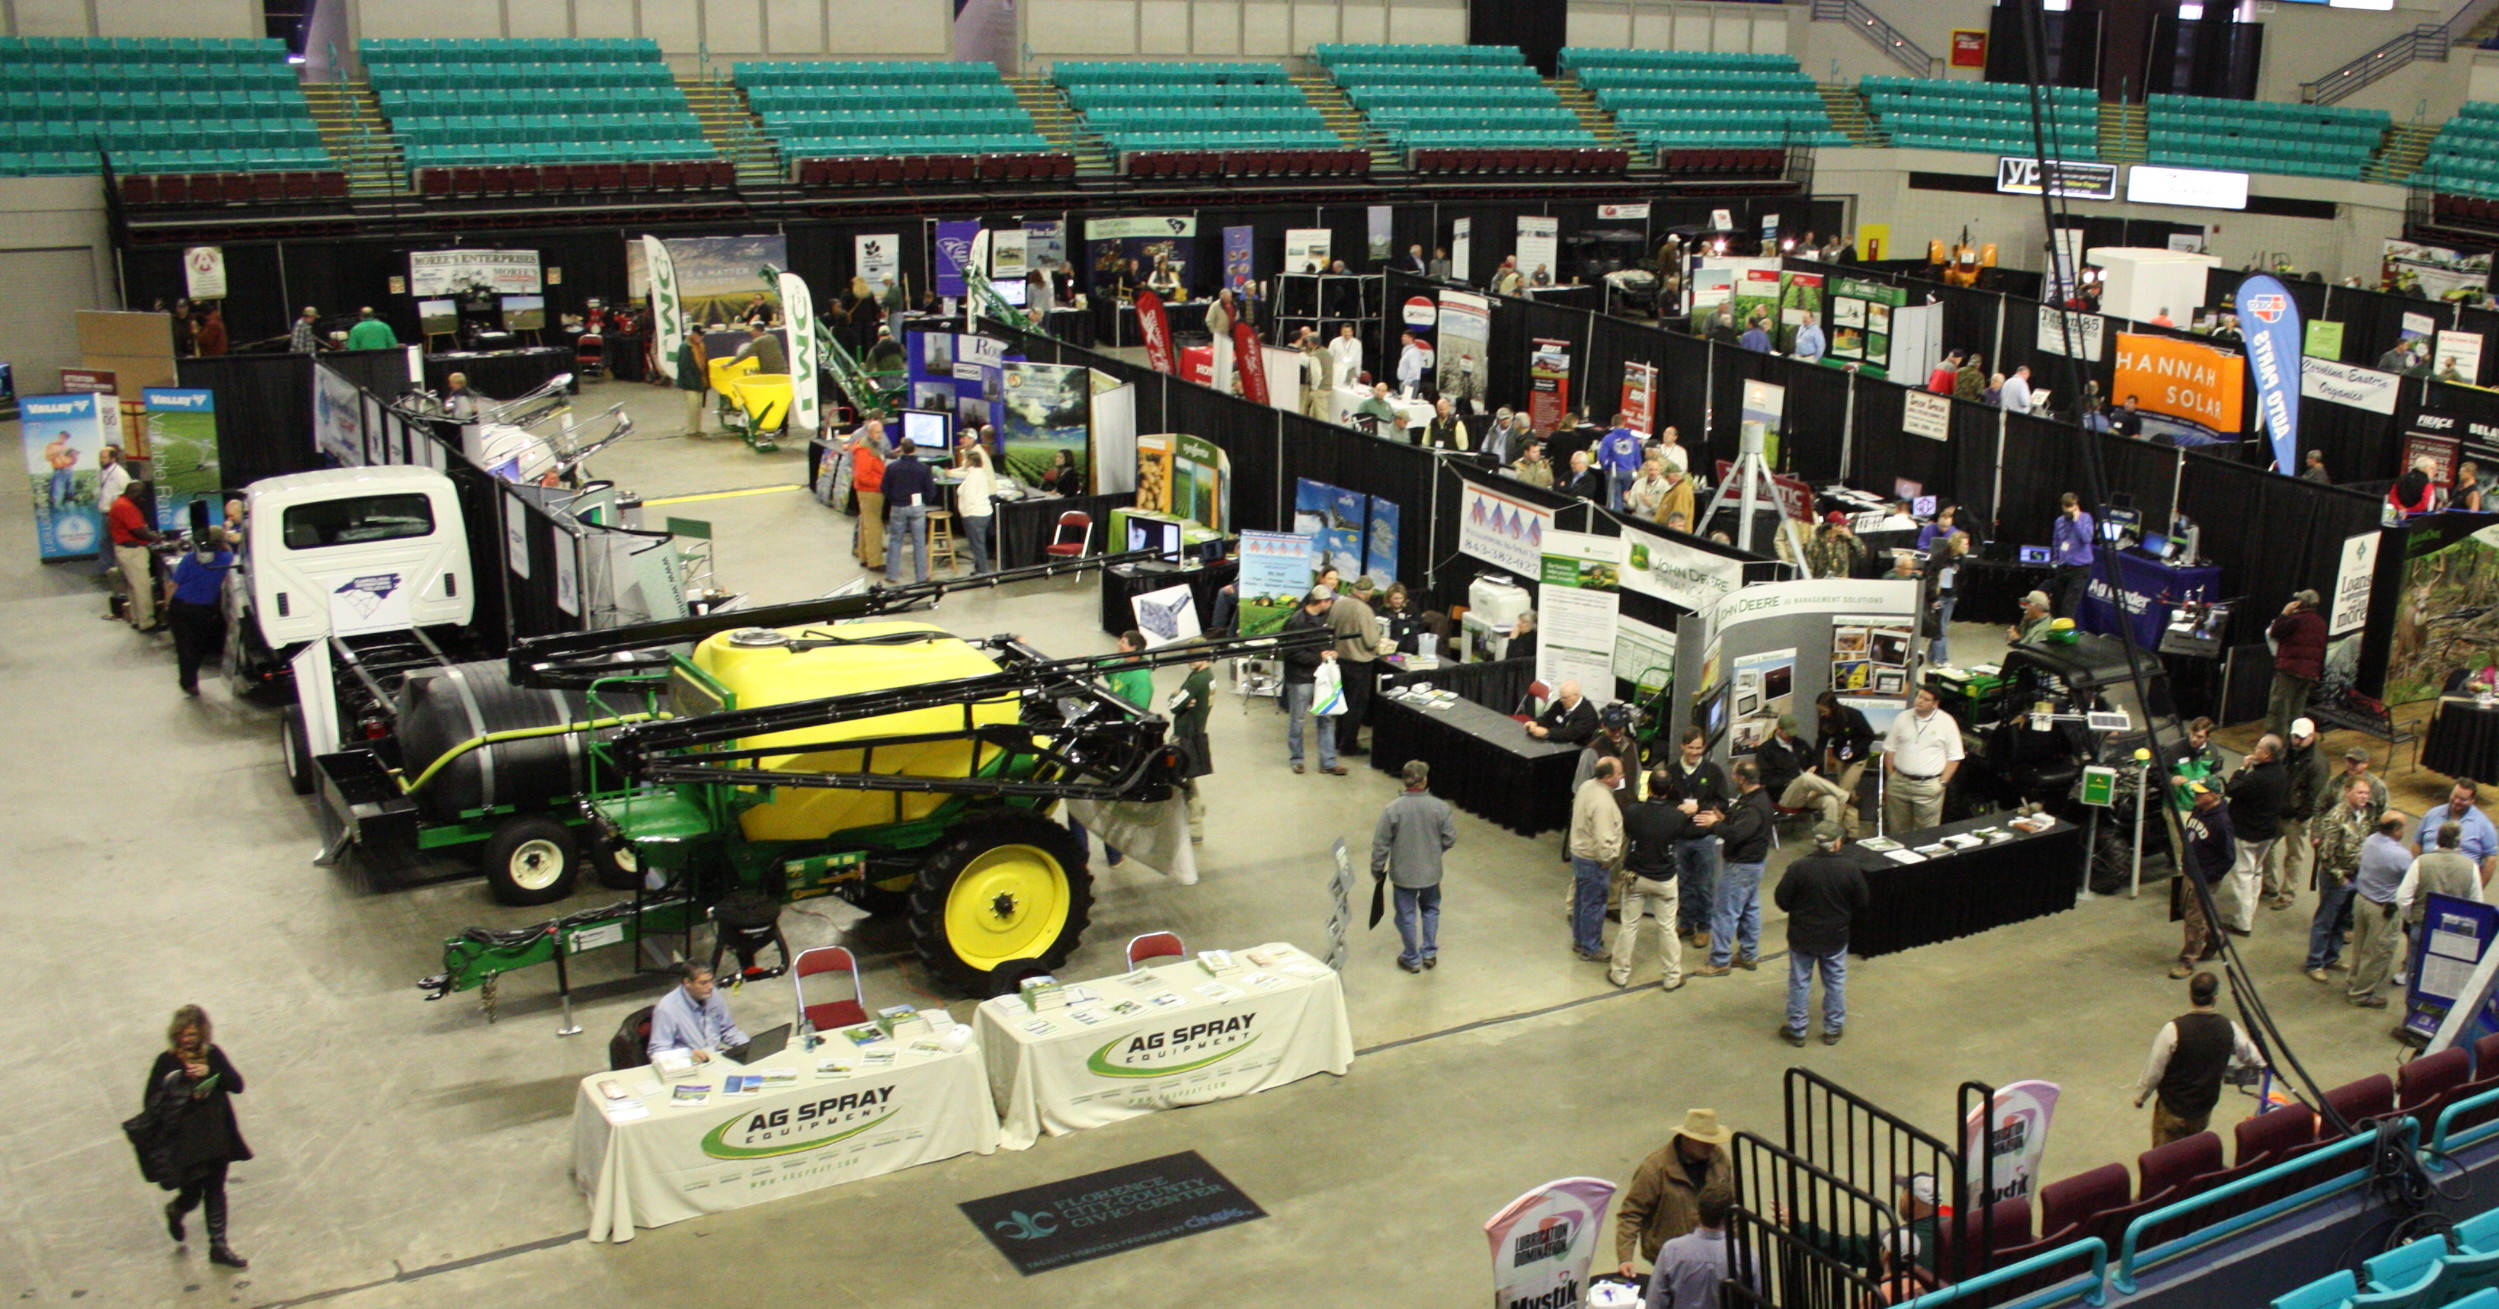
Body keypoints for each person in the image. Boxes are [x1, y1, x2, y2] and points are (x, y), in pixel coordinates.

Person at [146, 1005, 251, 1268]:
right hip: (186, 1141)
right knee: (192, 1193)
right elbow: (150, 1102)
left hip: (216, 1135)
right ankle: (176, 1210)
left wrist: (211, 1075)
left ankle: (218, 1245)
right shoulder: (166, 1061)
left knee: (215, 1189)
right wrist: (178, 1084)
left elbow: (237, 1084)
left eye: (193, 1034)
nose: (188, 1039)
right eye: (183, 1034)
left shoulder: (212, 1055)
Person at [2132, 971, 2265, 1147]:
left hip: (2174, 1110)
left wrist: (2141, 1097)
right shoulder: (2229, 1028)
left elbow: (2155, 1069)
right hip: (2202, 1111)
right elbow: (2256, 1059)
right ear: (2215, 997)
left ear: (2190, 994)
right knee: (2192, 1153)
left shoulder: (2174, 1030)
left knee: (2163, 1160)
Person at [1615, 1109, 1736, 1279]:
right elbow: (1631, 1214)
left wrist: (1734, 1247)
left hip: (1712, 1252)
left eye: (1713, 1142)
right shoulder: (1655, 1169)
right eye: (1705, 1142)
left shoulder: (1719, 1161)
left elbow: (1730, 1207)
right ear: (1687, 1139)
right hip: (1669, 1258)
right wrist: (1625, 1258)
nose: (1711, 1147)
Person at [1777, 821, 1868, 1046]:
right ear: (1837, 844)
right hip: (1834, 937)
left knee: (1799, 981)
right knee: (1835, 980)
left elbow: (1782, 900)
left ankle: (1797, 1029)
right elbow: (1862, 902)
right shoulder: (1849, 869)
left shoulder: (1798, 867)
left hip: (1802, 936)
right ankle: (1833, 1029)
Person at [1372, 758, 1458, 974]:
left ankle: (1411, 957)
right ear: (1424, 780)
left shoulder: (1393, 809)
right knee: (1431, 909)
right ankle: (1429, 952)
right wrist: (1433, 853)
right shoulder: (1440, 807)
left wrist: (1377, 868)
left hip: (1403, 875)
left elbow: (1381, 843)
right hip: (1431, 873)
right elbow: (1449, 838)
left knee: (1406, 915)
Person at [1616, 766, 1693, 992]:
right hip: (1664, 880)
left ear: (1648, 787)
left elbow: (1630, 833)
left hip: (1635, 877)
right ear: (1670, 789)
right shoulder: (1677, 817)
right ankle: (1672, 976)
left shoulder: (1632, 812)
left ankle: (1619, 973)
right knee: (1667, 928)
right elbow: (1682, 832)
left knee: (1629, 925)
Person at [1693, 761, 1774, 976]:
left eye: (1735, 776)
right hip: (1753, 865)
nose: (1732, 779)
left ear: (1742, 779)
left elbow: (1737, 835)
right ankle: (1748, 954)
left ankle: (1719, 960)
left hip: (1741, 866)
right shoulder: (1755, 799)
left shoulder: (1753, 807)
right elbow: (1740, 825)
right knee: (1750, 910)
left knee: (1725, 913)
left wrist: (1714, 824)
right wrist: (1725, 818)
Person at [1661, 727, 1731, 948]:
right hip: (1680, 837)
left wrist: (1700, 807)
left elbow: (1722, 803)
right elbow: (1662, 801)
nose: (1695, 752)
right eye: (1691, 748)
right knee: (1684, 883)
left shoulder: (1713, 772)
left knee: (1704, 885)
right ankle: (1686, 922)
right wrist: (1678, 808)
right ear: (1683, 746)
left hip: (1704, 839)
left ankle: (1704, 927)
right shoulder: (1671, 772)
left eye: (1699, 748)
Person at [2305, 778, 2380, 981]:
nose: (2364, 797)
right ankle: (2315, 963)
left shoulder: (2364, 815)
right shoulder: (2336, 817)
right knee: (2326, 921)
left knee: (2342, 921)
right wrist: (2340, 878)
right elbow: (2325, 852)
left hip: (2356, 875)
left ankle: (2331, 957)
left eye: (2367, 793)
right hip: (2335, 878)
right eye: (2360, 793)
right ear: (2348, 792)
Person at [2216, 734, 2288, 933]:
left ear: (2266, 754)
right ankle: (2248, 915)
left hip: (2247, 834)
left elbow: (2232, 789)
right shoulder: (2282, 773)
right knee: (2256, 874)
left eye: (2257, 748)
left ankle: (2242, 923)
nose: (2254, 750)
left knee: (2243, 877)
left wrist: (2242, 769)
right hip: (2268, 833)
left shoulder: (2256, 778)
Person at [2347, 813, 2415, 1008]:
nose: (2405, 830)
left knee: (2360, 946)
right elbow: (2410, 881)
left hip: (2361, 901)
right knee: (2378, 953)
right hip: (2381, 909)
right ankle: (2361, 994)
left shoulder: (2370, 840)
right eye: (2403, 827)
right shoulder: (2400, 855)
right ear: (2395, 830)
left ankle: (2354, 980)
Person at [1570, 757, 1629, 961]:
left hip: (1580, 855)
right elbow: (1603, 837)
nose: (1622, 777)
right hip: (1594, 860)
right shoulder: (1603, 803)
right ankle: (1591, 947)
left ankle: (1581, 939)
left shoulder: (1587, 786)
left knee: (1582, 901)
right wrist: (1608, 859)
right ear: (1607, 777)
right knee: (1594, 904)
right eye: (1619, 773)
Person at [2173, 783, 2234, 977]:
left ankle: (2188, 960)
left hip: (2204, 877)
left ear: (2215, 795)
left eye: (2201, 792)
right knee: (2188, 910)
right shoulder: (2199, 809)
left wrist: (2207, 877)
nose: (2196, 795)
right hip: (2191, 871)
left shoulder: (2221, 822)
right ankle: (2216, 937)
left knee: (2194, 919)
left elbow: (2228, 857)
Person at [1883, 687, 1964, 833]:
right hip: (1899, 782)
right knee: (1897, 830)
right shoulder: (1903, 717)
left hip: (1928, 786)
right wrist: (1890, 776)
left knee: (1926, 832)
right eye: (1919, 696)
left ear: (1935, 703)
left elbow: (1955, 757)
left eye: (1926, 699)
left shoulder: (1946, 722)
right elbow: (1890, 749)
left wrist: (1942, 783)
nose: (1920, 701)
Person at [2268, 718, 2328, 910]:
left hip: (2296, 817)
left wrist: (2301, 817)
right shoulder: (2288, 751)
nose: (2297, 741)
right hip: (2279, 810)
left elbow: (2316, 796)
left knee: (2293, 857)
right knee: (2266, 846)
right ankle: (2269, 885)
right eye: (2295, 736)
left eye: (2301, 738)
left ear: (2312, 736)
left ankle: (2287, 894)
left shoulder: (2318, 763)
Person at [166, 530, 235, 696]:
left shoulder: (190, 558)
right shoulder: (228, 559)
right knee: (198, 646)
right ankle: (190, 679)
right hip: (204, 609)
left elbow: (172, 585)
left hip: (180, 606)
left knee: (184, 646)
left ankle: (189, 682)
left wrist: (166, 606)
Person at [1282, 588, 1342, 776]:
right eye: (1329, 601)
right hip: (1300, 678)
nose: (1331, 604)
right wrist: (1319, 657)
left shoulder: (1324, 620)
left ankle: (1328, 761)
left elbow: (1329, 642)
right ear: (1322, 602)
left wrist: (1332, 651)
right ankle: (1297, 759)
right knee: (1297, 719)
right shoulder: (1296, 622)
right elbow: (1291, 652)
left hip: (1321, 677)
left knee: (1326, 717)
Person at [1644, 1192, 1735, 1309]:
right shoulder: (1746, 1257)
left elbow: (1654, 1303)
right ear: (1731, 1216)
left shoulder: (1672, 1250)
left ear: (1697, 1212)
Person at [647, 960, 749, 1060]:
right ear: (687, 982)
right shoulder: (667, 1008)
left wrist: (748, 1046)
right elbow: (657, 1052)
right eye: (703, 983)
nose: (710, 987)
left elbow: (728, 1030)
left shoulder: (714, 995)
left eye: (711, 981)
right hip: (687, 1064)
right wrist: (687, 1055)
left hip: (714, 1057)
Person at [1330, 576, 1385, 757]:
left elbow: (1330, 629)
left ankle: (1338, 739)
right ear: (1368, 592)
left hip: (1339, 660)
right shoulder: (1364, 610)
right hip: (1359, 663)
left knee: (1342, 702)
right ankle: (1348, 746)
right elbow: (1370, 641)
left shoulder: (1339, 603)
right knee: (1355, 707)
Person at [2400, 821, 2485, 937]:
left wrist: (2410, 917)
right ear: (2459, 841)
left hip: (2422, 923)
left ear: (2438, 838)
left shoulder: (2421, 862)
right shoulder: (2471, 867)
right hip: (2452, 929)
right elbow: (2476, 903)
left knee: (2416, 955)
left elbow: (2402, 898)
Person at [2268, 589, 2327, 738]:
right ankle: (2293, 744)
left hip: (2289, 671)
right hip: (2309, 674)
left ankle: (2274, 745)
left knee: (2279, 710)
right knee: (2296, 712)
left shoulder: (2295, 619)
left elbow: (2275, 632)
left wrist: (2284, 613)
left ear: (2301, 603)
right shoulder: (2321, 623)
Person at [109, 478, 163, 633]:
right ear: (134, 493)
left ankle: (136, 619)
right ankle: (147, 622)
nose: (143, 499)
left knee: (132, 588)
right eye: (141, 496)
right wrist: (157, 538)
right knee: (142, 588)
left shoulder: (119, 502)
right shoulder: (127, 507)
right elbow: (139, 531)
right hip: (133, 552)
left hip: (123, 549)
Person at [2416, 780, 2499, 880]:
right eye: (2455, 796)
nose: (2456, 801)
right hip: (2428, 877)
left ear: (2472, 801)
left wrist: (2477, 889)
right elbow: (2417, 844)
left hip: (2460, 884)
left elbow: (2491, 860)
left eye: (2463, 799)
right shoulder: (2432, 814)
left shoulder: (2484, 824)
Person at [879, 437, 935, 584]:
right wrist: (925, 501)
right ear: (914, 449)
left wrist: (893, 499)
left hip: (898, 506)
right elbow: (930, 490)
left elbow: (884, 488)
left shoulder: (892, 468)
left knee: (895, 540)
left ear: (900, 450)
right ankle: (921, 576)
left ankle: (891, 575)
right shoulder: (923, 468)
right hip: (917, 507)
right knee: (919, 542)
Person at [954, 447, 998, 575]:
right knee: (978, 543)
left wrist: (964, 513)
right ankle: (979, 568)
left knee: (977, 545)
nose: (963, 462)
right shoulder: (979, 474)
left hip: (974, 515)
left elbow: (969, 498)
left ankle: (983, 571)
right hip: (983, 513)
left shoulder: (973, 477)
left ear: (970, 462)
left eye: (965, 460)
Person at [2049, 492, 2095, 617]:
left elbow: (2086, 539)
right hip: (2062, 566)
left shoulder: (2086, 519)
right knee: (2058, 602)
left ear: (2076, 505)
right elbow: (2056, 542)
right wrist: (2055, 559)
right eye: (2066, 507)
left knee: (2069, 605)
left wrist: (2077, 521)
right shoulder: (2059, 521)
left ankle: (2065, 633)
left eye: (2071, 507)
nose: (2068, 510)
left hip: (2079, 568)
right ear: (2062, 506)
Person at [1598, 413, 1644, 510]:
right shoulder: (1633, 439)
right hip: (1628, 472)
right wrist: (1639, 470)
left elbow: (1602, 457)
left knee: (1614, 501)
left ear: (1612, 423)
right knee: (1625, 498)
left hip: (1614, 472)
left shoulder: (1608, 438)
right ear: (1624, 422)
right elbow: (1637, 457)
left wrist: (1605, 467)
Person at [673, 332, 711, 436]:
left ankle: (697, 429)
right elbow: (683, 367)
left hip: (699, 382)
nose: (701, 338)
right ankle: (691, 430)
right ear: (694, 335)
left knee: (698, 407)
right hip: (689, 383)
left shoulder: (701, 346)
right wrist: (691, 382)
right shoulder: (685, 348)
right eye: (699, 336)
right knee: (692, 407)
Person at [1395, 331, 1433, 398]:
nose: (1402, 338)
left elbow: (1414, 370)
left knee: (1408, 404)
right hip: (1405, 382)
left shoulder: (1413, 352)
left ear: (1410, 338)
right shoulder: (1407, 351)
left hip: (1410, 383)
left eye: (1404, 337)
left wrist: (1406, 383)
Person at [1658, 465, 1697, 531]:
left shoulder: (1682, 490)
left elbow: (1679, 516)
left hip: (1674, 535)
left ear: (1675, 475)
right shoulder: (1677, 489)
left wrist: (1675, 534)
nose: (1665, 478)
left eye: (1667, 476)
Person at [1328, 323, 1364, 389]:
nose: (1347, 334)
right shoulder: (1334, 342)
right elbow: (1329, 358)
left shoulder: (1357, 343)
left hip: (1351, 371)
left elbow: (1358, 360)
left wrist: (1358, 374)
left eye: (1349, 331)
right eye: (1345, 331)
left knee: (1351, 391)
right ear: (1341, 332)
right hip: (1337, 371)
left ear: (1352, 332)